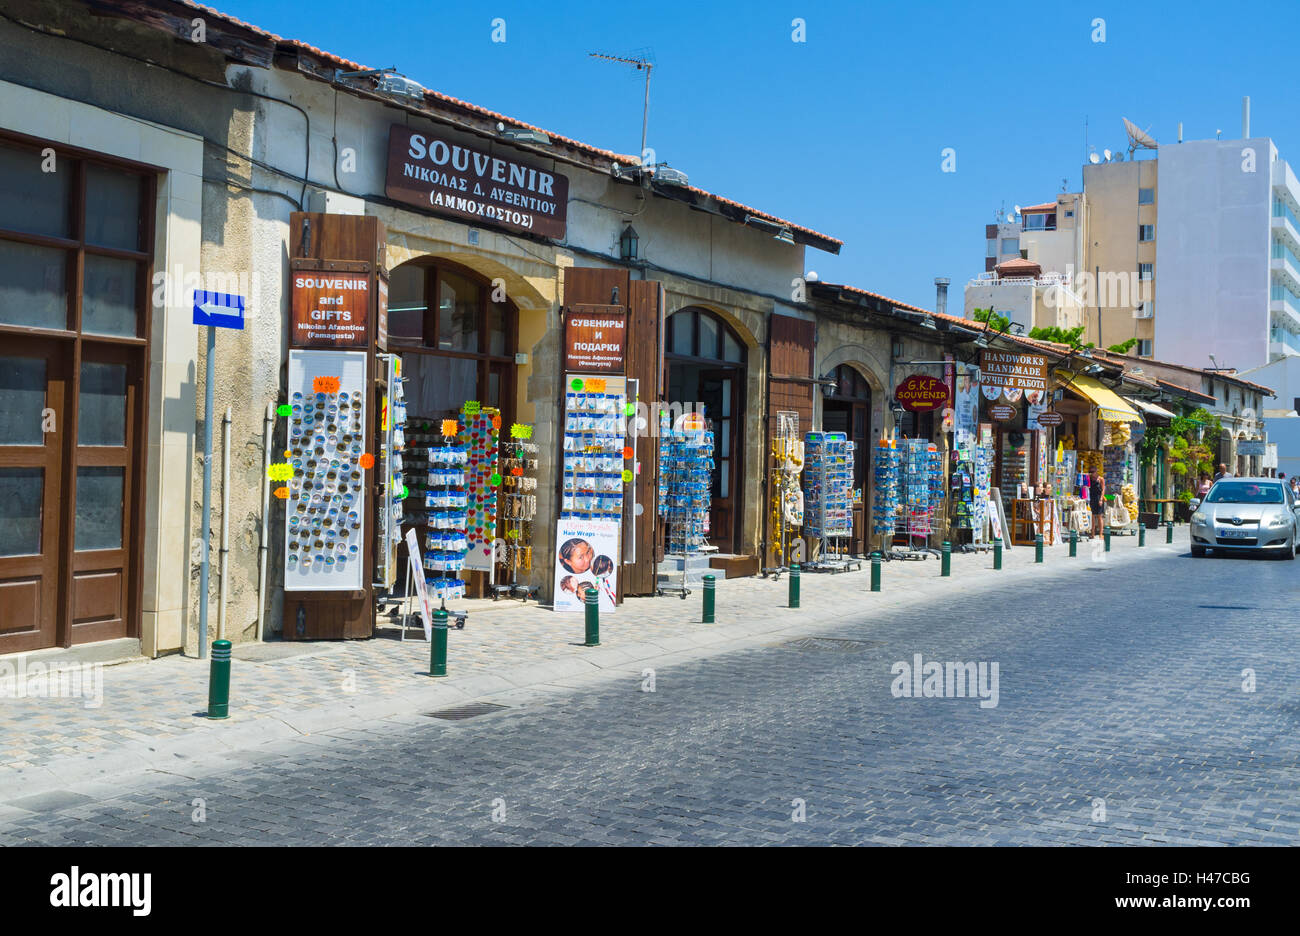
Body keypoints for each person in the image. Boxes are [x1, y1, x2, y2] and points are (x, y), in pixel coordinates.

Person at [1089, 469, 1106, 537]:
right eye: (1091, 472)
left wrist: (1101, 499)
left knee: (1099, 516)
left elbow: (1103, 490)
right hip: (1092, 498)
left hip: (1098, 498)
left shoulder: (1100, 479)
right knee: (1092, 516)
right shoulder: (1090, 479)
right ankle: (1092, 533)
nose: (1092, 474)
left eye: (1093, 472)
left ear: (1096, 472)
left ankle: (1101, 534)